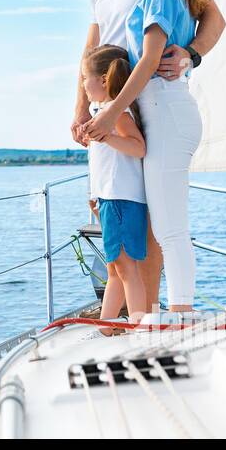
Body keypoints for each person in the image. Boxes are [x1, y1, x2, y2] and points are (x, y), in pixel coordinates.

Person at [72, 0, 225, 315]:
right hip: (112, 106)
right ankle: (133, 314)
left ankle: (152, 311)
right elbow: (90, 50)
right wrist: (83, 108)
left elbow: (215, 19)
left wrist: (191, 54)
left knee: (157, 221)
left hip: (141, 104)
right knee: (116, 206)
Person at [81, 44, 148, 322]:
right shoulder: (104, 113)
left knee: (126, 268)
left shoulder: (116, 114)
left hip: (121, 199)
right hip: (111, 200)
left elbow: (138, 148)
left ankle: (138, 324)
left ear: (103, 80)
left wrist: (106, 136)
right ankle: (107, 325)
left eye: (86, 78)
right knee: (114, 269)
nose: (83, 85)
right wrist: (98, 201)